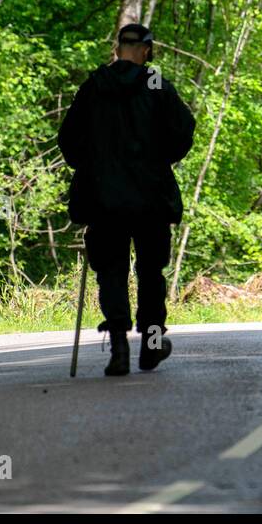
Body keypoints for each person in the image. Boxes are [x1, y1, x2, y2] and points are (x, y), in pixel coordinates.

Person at [58, 23, 196, 377]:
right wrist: (160, 158)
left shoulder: (95, 85)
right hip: (150, 197)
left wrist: (92, 168)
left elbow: (69, 138)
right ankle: (151, 347)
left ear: (118, 48)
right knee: (151, 273)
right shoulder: (153, 81)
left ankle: (119, 347)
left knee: (111, 272)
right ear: (147, 50)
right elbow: (183, 129)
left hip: (104, 198)